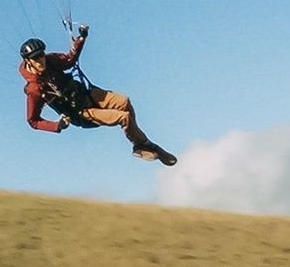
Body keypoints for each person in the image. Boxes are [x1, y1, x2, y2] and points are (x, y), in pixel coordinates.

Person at [18, 24, 176, 165]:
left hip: (88, 94)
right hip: (81, 113)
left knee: (124, 101)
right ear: (28, 61)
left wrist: (81, 39)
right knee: (123, 117)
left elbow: (69, 60)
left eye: (41, 55)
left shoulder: (50, 60)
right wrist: (56, 125)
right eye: (36, 58)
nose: (41, 60)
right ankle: (143, 144)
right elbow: (32, 120)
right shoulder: (34, 89)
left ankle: (139, 144)